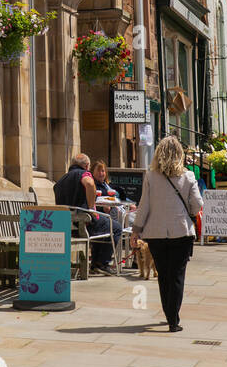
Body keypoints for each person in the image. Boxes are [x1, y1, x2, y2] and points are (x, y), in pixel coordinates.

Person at [131, 135, 203, 332]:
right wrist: (187, 210)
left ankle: (168, 313)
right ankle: (174, 318)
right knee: (177, 275)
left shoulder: (151, 176)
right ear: (179, 154)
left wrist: (135, 230)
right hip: (181, 232)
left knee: (163, 275)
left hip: (156, 234)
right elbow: (197, 205)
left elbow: (143, 205)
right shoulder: (188, 176)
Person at [53, 153, 115, 274]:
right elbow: (90, 183)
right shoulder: (84, 174)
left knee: (104, 224)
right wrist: (92, 208)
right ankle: (101, 263)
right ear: (87, 166)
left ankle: (97, 263)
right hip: (82, 223)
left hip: (65, 225)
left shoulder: (61, 180)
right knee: (114, 226)